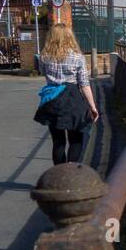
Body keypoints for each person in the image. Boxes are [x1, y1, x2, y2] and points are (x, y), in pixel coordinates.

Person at [33, 24, 99, 166]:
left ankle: (59, 173)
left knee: (58, 142)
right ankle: (71, 171)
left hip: (52, 99)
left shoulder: (44, 57)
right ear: (70, 37)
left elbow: (42, 72)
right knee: (76, 138)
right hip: (72, 100)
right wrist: (92, 106)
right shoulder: (77, 57)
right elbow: (84, 84)